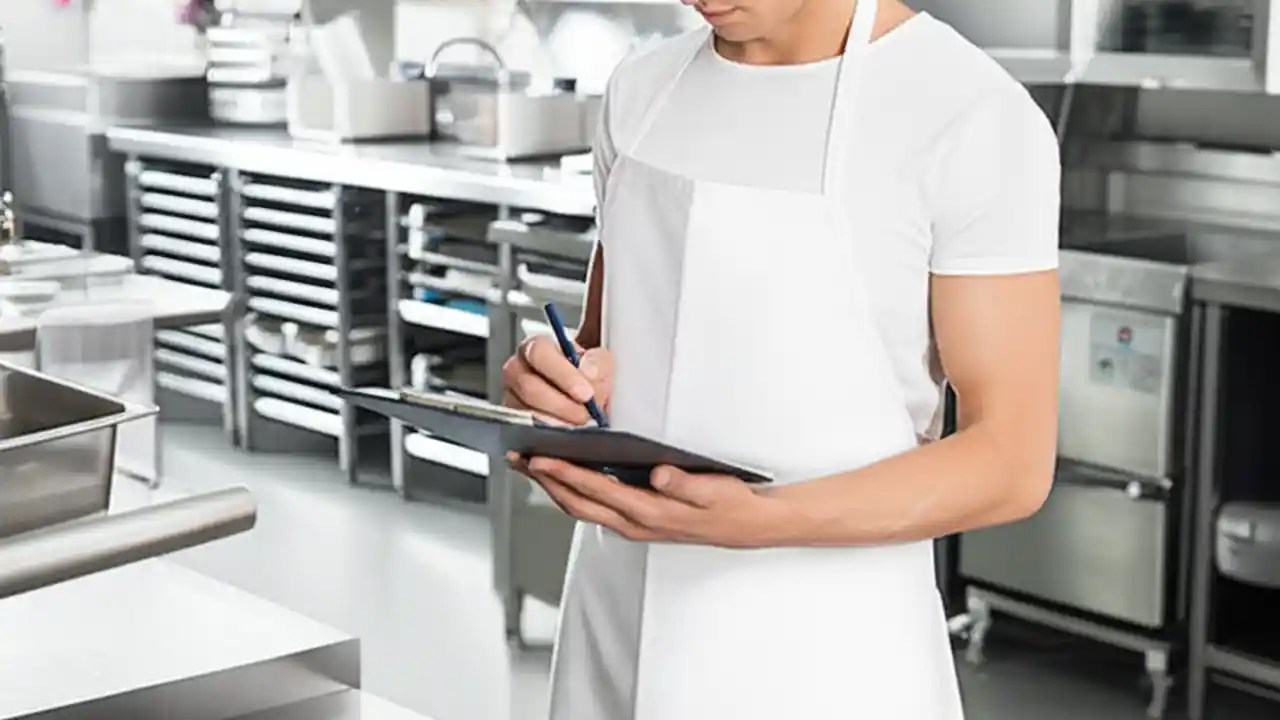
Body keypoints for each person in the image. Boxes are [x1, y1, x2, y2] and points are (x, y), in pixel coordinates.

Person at [502, 0, 1061, 717]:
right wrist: (556, 381)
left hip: (825, 646)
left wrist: (763, 519)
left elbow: (1010, 463)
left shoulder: (968, 116)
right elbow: (605, 344)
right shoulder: (640, 92)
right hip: (617, 618)